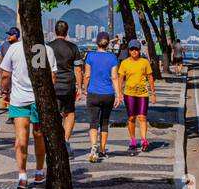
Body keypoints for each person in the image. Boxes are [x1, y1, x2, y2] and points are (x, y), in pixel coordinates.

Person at [0, 33, 57, 189]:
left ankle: (22, 176)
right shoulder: (47, 50)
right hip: (40, 99)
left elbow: (5, 75)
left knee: (21, 138)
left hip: (19, 99)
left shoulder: (14, 48)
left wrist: (4, 91)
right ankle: (39, 172)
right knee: (39, 135)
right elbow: (52, 77)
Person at [47, 21, 84, 159]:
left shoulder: (48, 47)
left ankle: (56, 143)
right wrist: (80, 87)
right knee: (69, 113)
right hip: (69, 85)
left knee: (55, 114)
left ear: (55, 32)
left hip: (52, 85)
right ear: (67, 32)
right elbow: (78, 70)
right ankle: (66, 141)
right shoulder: (73, 47)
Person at [82, 31, 120, 162]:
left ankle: (94, 146)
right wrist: (118, 95)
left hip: (93, 93)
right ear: (108, 43)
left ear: (96, 42)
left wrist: (85, 89)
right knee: (104, 122)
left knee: (93, 122)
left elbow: (87, 75)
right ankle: (103, 150)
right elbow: (114, 77)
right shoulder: (112, 57)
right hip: (108, 94)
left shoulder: (90, 56)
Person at [117, 40, 156, 155]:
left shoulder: (145, 62)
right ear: (128, 50)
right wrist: (118, 93)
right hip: (129, 94)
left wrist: (153, 94)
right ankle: (133, 141)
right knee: (131, 118)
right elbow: (120, 79)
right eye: (131, 49)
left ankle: (144, 140)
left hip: (143, 94)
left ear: (139, 50)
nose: (134, 51)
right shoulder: (124, 63)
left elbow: (150, 78)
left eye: (136, 49)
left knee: (142, 117)